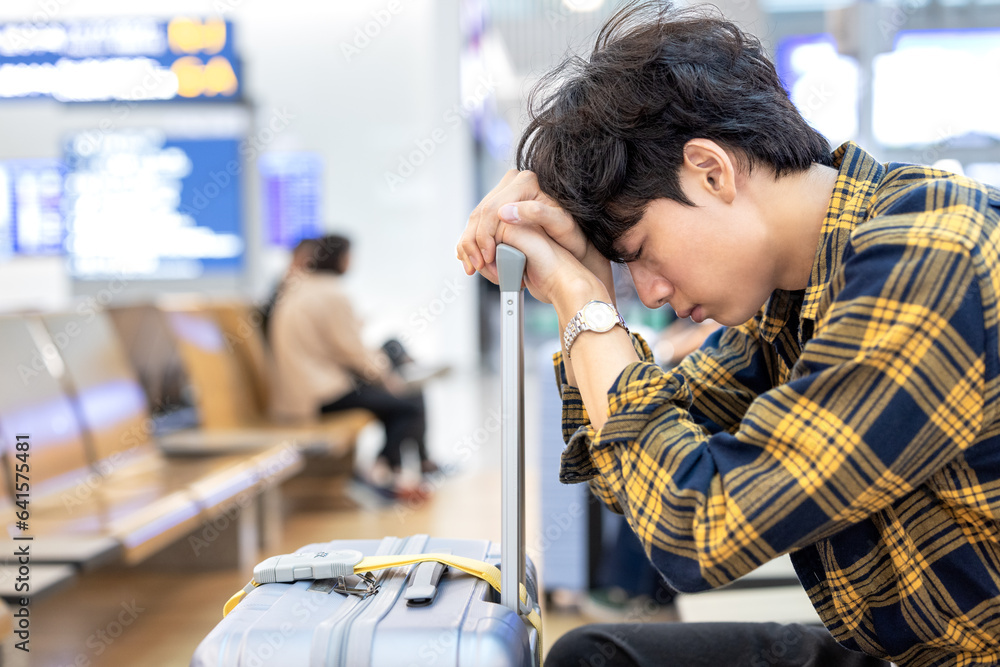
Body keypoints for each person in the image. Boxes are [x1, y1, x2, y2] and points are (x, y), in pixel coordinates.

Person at [456, 2, 1000, 665]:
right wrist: (581, 280)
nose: (652, 291)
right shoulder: (790, 297)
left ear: (713, 171)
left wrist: (584, 303)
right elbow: (628, 461)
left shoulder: (930, 256)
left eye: (642, 251)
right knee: (596, 655)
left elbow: (696, 528)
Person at [269, 233, 438, 496]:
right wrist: (385, 378)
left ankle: (392, 471)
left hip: (304, 389)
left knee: (399, 393)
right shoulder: (331, 293)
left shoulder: (301, 286)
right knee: (406, 407)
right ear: (342, 259)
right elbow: (351, 352)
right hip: (320, 393)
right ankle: (385, 470)